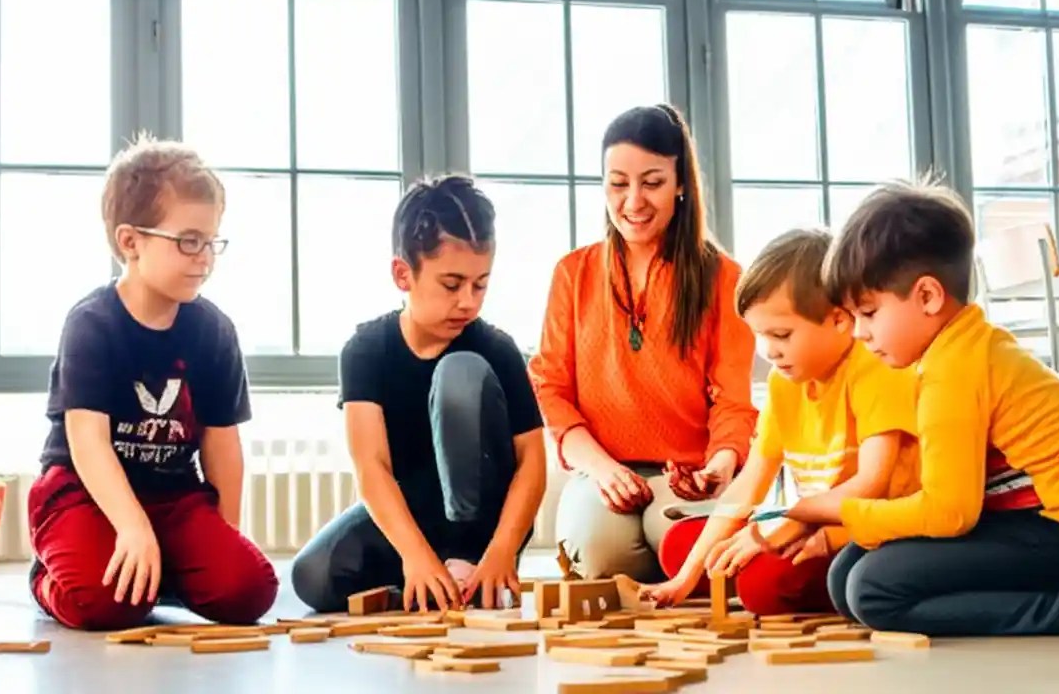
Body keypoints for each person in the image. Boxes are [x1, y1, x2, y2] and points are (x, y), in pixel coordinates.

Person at [820, 177, 1059, 636]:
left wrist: (847, 514)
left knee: (872, 590)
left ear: (927, 296)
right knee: (847, 575)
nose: (859, 333)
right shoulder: (950, 353)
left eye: (868, 313)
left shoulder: (956, 369)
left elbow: (950, 513)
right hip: (1031, 521)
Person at [28, 135, 278, 631]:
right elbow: (88, 443)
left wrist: (221, 543)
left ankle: (160, 566)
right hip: (85, 492)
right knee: (104, 604)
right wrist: (131, 525)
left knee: (249, 590)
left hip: (173, 495)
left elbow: (221, 444)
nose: (204, 257)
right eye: (188, 241)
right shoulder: (92, 325)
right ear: (130, 241)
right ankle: (47, 575)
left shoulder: (214, 331)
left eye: (211, 241)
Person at [290, 174, 547, 614]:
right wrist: (415, 555)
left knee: (459, 373)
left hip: (485, 524)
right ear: (402, 274)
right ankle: (428, 578)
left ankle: (468, 564)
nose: (468, 301)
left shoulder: (497, 349)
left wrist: (502, 551)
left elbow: (532, 462)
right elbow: (371, 467)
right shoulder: (366, 350)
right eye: (452, 284)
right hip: (415, 517)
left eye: (480, 284)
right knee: (312, 576)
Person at [528, 104, 758, 583]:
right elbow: (549, 389)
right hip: (602, 472)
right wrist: (603, 469)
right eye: (618, 183)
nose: (633, 201)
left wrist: (717, 468)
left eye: (652, 183)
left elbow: (733, 402)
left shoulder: (724, 279)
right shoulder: (573, 273)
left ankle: (682, 558)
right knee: (605, 557)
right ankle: (674, 563)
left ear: (680, 185)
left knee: (683, 543)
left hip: (688, 476)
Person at [639, 228, 919, 614]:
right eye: (760, 335)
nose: (769, 351)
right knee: (678, 547)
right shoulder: (783, 381)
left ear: (839, 320)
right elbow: (749, 484)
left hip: (861, 532)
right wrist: (684, 579)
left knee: (762, 586)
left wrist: (773, 534)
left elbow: (872, 486)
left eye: (782, 335)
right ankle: (743, 568)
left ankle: (764, 574)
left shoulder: (875, 368)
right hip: (804, 523)